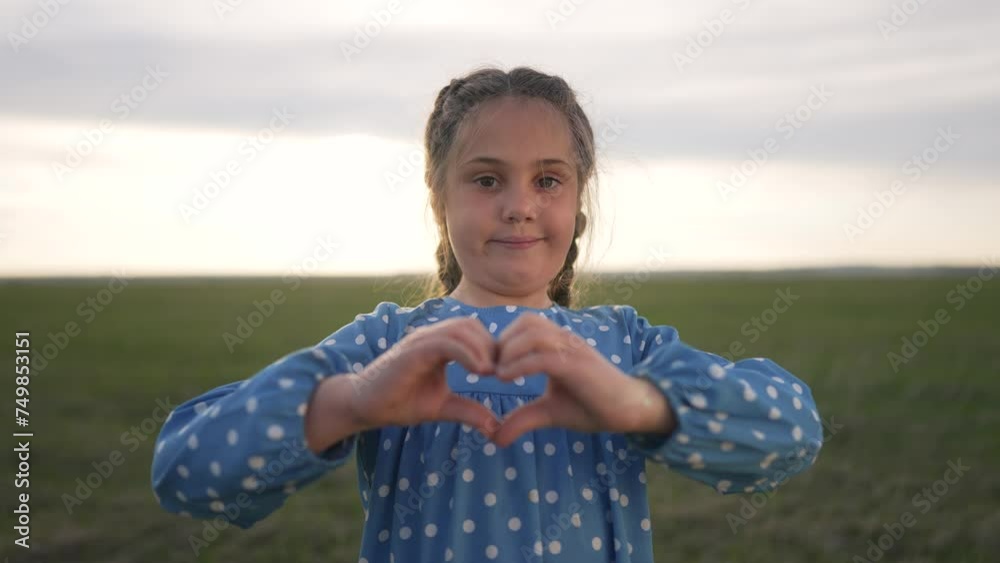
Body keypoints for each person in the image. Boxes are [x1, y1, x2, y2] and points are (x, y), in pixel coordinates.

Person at [151, 65, 823, 562]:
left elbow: (792, 432)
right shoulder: (390, 342)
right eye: (486, 178)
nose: (520, 205)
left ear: (578, 199)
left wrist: (639, 405)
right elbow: (185, 470)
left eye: (549, 180)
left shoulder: (619, 344)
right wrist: (353, 400)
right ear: (439, 198)